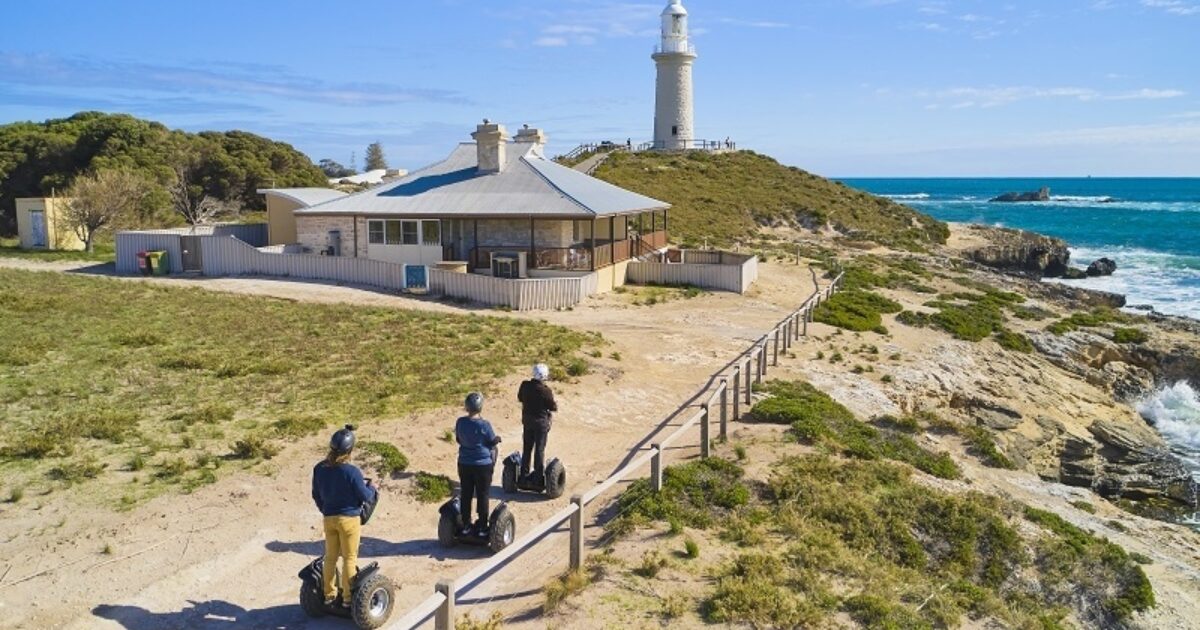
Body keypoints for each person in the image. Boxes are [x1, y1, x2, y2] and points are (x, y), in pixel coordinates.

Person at [311, 424, 377, 607]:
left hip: (329, 518)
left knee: (330, 558)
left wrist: (325, 509)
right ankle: (348, 599)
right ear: (349, 450)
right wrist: (372, 488)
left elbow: (316, 494)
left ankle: (329, 595)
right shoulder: (352, 472)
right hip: (349, 520)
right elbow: (365, 496)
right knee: (349, 558)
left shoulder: (319, 469)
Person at [456, 392, 501, 536]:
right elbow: (492, 441)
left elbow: (458, 439)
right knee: (482, 494)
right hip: (482, 465)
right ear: (480, 407)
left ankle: (466, 525)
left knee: (466, 493)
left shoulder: (460, 422)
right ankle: (482, 527)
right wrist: (497, 439)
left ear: (467, 406)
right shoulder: (484, 425)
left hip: (464, 463)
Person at [517, 363, 558, 485]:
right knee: (539, 449)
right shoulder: (546, 391)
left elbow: (520, 398)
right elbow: (552, 406)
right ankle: (538, 477)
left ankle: (523, 475)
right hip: (540, 423)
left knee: (527, 448)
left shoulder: (524, 385)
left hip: (527, 421)